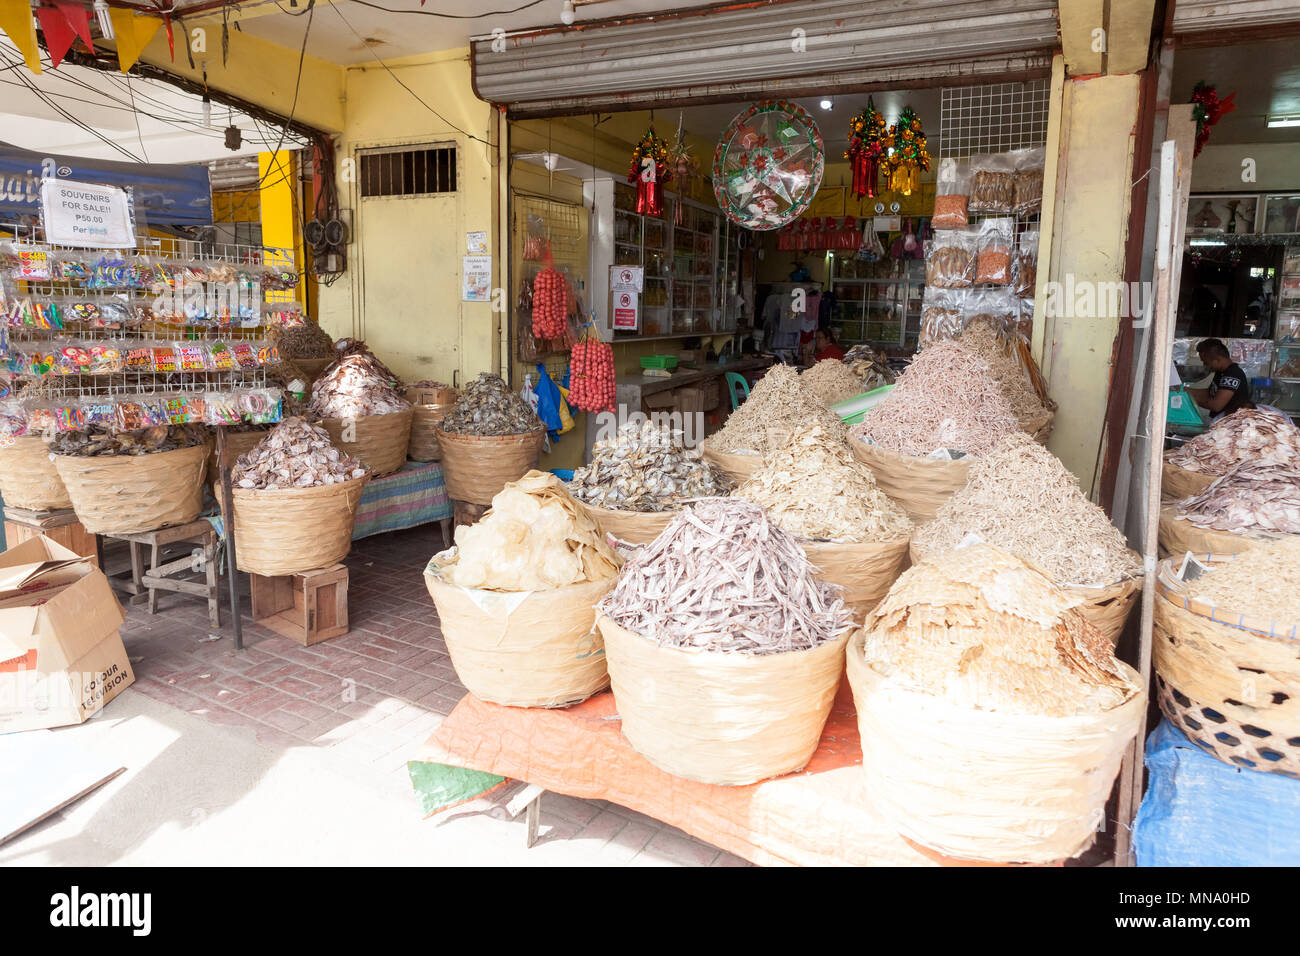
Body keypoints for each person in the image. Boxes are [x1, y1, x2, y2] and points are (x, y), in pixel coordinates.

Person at [1190, 338, 1254, 420]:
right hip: (1219, 421)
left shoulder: (1233, 374)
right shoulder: (1220, 372)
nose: (1204, 365)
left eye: (1206, 362)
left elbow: (1216, 405)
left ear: (1217, 360)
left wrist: (1190, 399)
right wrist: (1183, 390)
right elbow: (1210, 393)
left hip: (1230, 423)